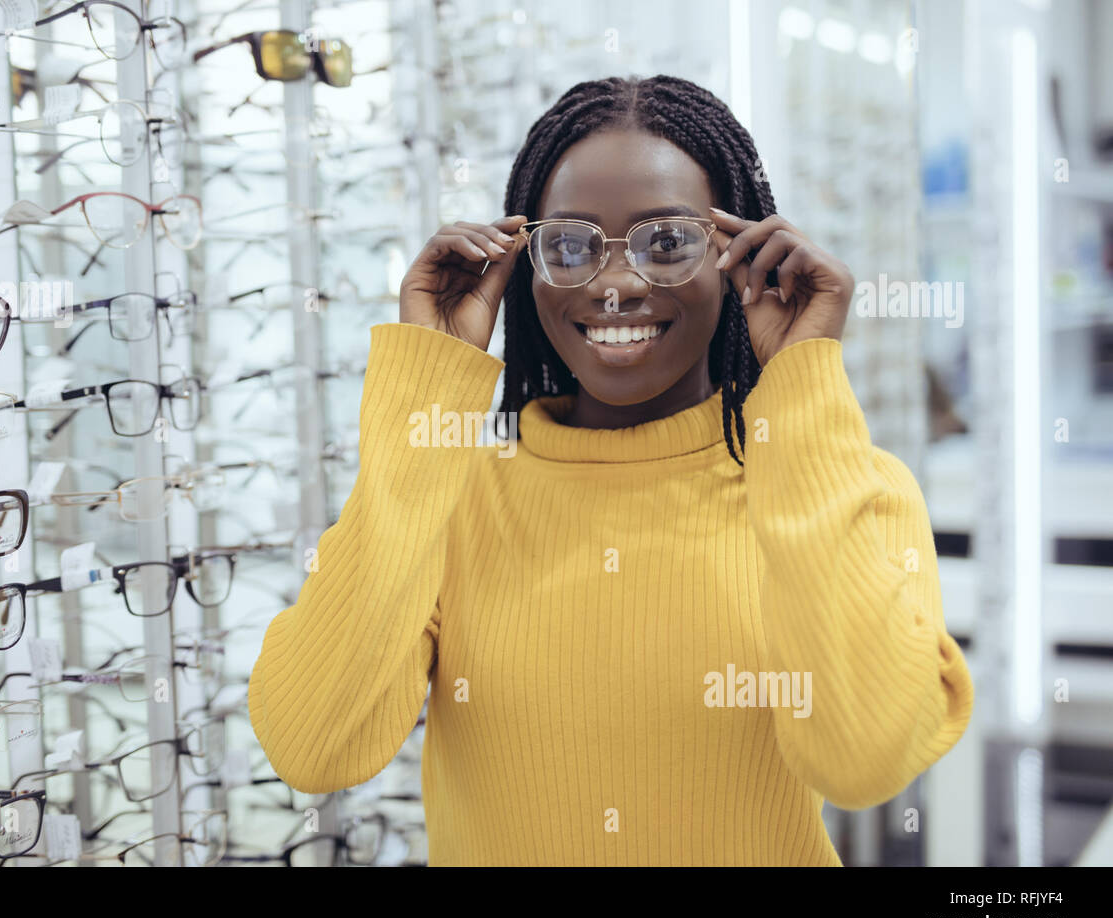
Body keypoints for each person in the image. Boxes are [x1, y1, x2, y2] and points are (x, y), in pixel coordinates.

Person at [247, 74, 974, 866]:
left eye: (667, 243)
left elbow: (864, 758)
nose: (617, 285)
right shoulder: (455, 493)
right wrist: (427, 395)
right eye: (570, 245)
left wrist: (801, 387)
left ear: (737, 256)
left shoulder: (840, 484)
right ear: (525, 266)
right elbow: (313, 745)